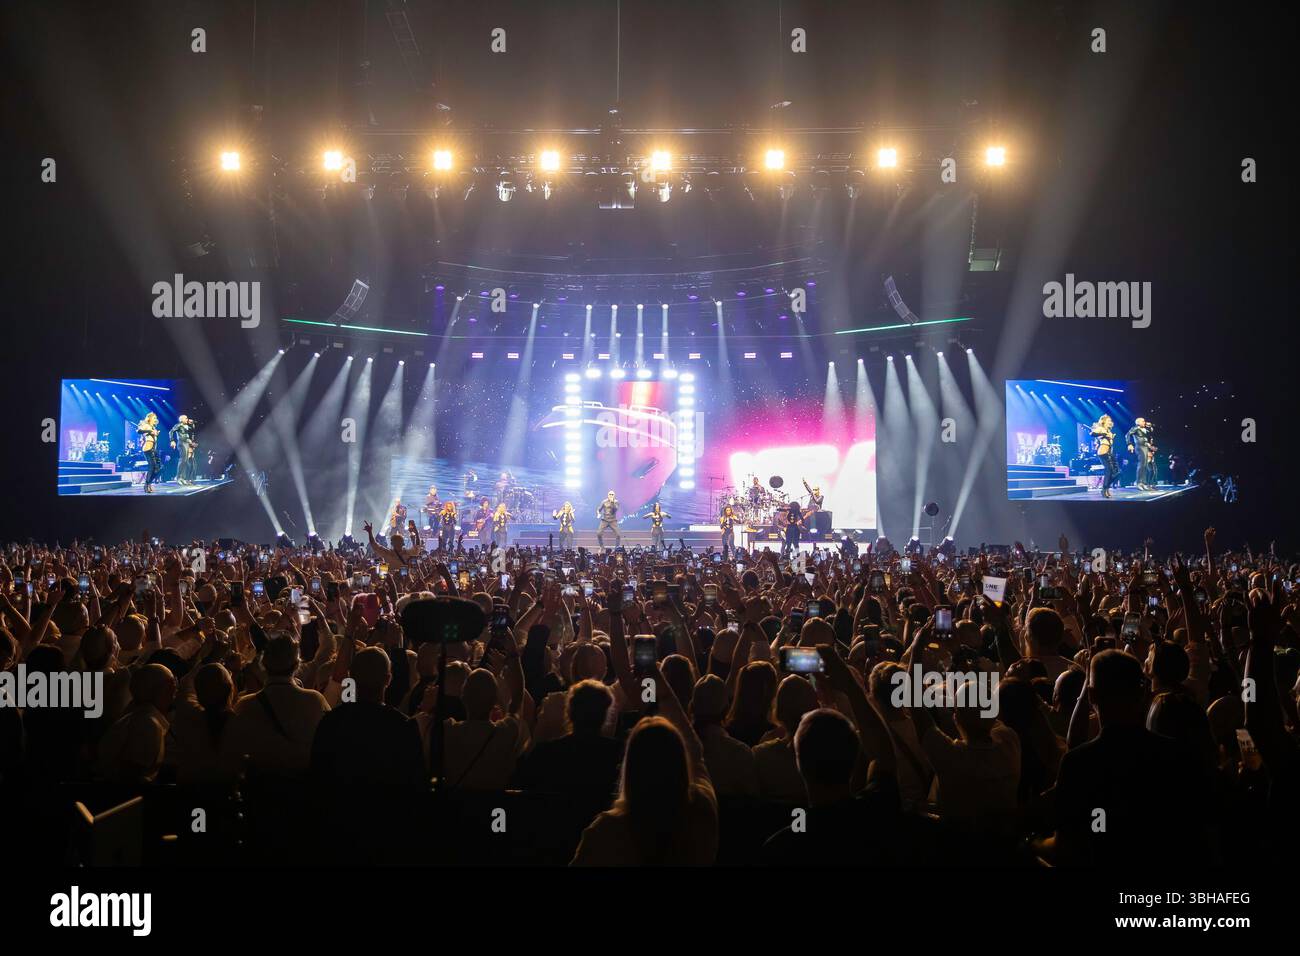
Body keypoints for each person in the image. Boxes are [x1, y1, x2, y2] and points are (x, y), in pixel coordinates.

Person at [1049, 649, 1211, 866]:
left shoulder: (1079, 763)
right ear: (1143, 693)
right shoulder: (1176, 754)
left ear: (1092, 696)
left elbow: (1065, 846)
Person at [572, 663, 717, 865]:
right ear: (680, 760)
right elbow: (695, 751)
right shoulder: (701, 813)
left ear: (629, 766)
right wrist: (662, 689)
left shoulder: (607, 831)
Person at [1090, 414, 1119, 498]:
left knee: (1116, 473)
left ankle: (1106, 488)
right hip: (1103, 451)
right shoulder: (1101, 428)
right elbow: (1092, 433)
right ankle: (1105, 489)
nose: (1110, 422)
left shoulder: (1109, 431)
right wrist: (1103, 434)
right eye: (1108, 420)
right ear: (1104, 421)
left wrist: (1110, 436)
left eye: (1110, 420)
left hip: (1110, 452)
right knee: (1109, 471)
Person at [1126, 417, 1157, 491]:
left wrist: (1150, 446)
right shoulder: (1135, 428)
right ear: (1138, 422)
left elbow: (1147, 439)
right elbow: (1127, 435)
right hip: (1140, 447)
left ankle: (1144, 483)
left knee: (1145, 465)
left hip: (1145, 447)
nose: (1144, 422)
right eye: (1143, 421)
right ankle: (1139, 483)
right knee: (1142, 464)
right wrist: (1129, 444)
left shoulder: (1146, 430)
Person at [168, 414, 197, 485]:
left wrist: (192, 423)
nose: (187, 419)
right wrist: (172, 440)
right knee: (183, 460)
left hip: (186, 443)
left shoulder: (186, 426)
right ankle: (178, 477)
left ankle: (183, 478)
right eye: (186, 418)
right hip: (181, 443)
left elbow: (193, 430)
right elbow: (171, 431)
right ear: (181, 419)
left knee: (185, 460)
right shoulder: (178, 425)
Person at [137, 412, 162, 493]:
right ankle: (147, 485)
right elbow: (139, 431)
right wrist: (150, 431)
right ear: (150, 418)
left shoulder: (153, 427)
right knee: (152, 466)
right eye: (154, 418)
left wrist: (155, 433)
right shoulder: (146, 425)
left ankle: (149, 483)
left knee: (159, 468)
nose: (155, 419)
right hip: (148, 447)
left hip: (154, 448)